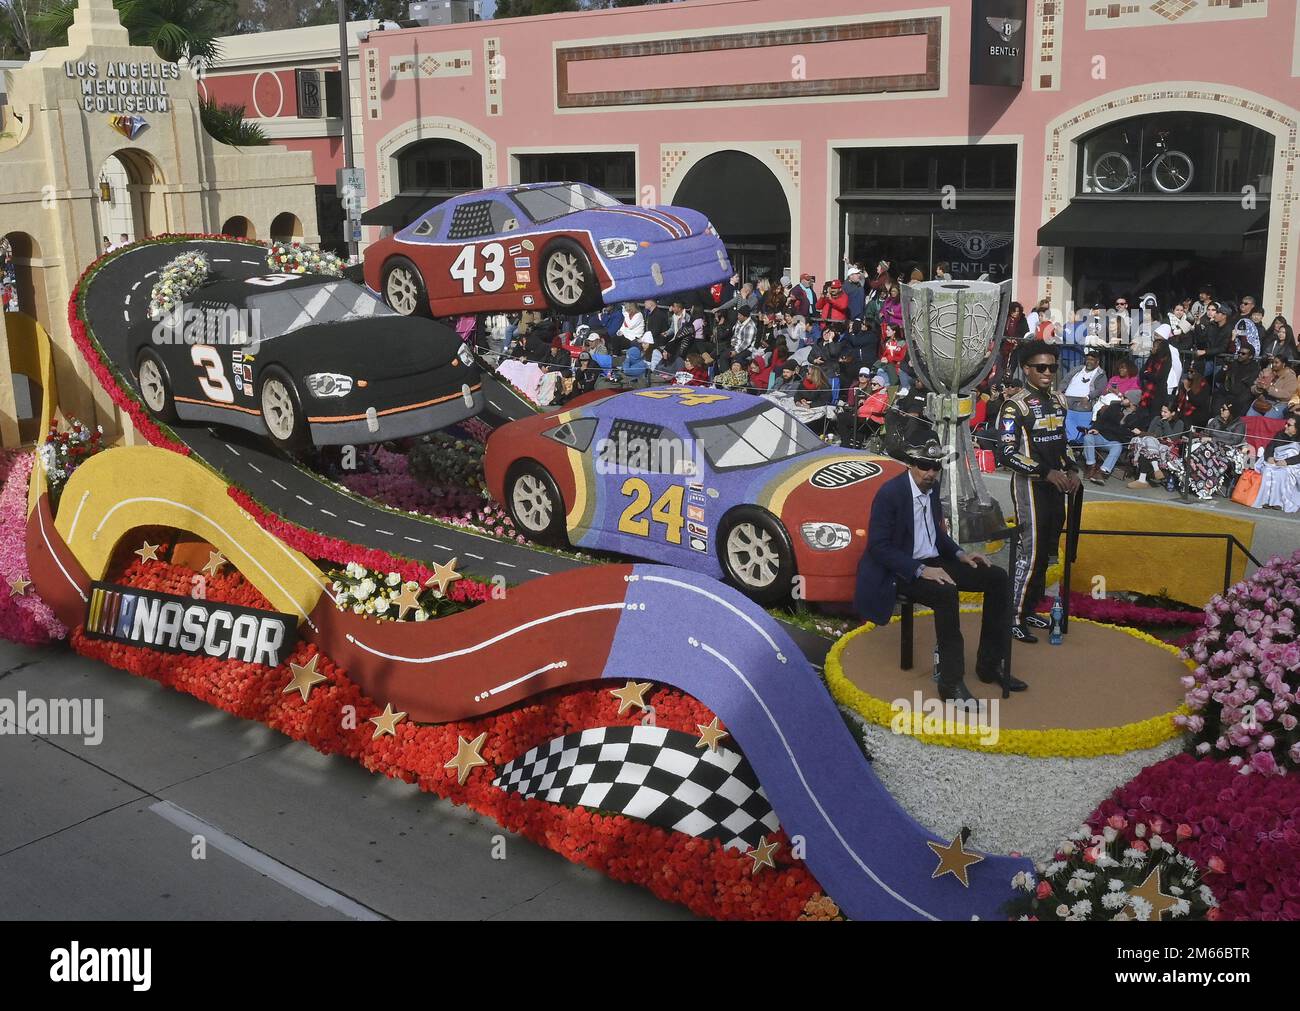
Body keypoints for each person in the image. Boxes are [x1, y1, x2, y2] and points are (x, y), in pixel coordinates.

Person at [854, 439, 1022, 703]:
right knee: (946, 593)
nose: (931, 473)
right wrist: (921, 570)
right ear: (910, 464)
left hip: (932, 561)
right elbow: (878, 547)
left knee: (997, 578)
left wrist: (961, 554)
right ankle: (950, 683)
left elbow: (936, 536)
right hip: (900, 569)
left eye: (935, 467)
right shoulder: (890, 494)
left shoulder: (931, 490)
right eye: (924, 466)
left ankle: (989, 665)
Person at [1000, 340, 1080, 643]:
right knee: (1029, 554)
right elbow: (1006, 453)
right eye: (1041, 368)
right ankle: (1012, 616)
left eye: (1052, 367)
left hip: (1056, 487)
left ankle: (1030, 607)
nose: (1048, 373)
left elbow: (1062, 444)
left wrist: (1072, 470)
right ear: (1026, 370)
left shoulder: (1059, 400)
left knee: (1047, 553)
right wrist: (1046, 472)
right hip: (1030, 487)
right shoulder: (1015, 405)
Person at [1185, 404, 1250, 500]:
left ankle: (1205, 487)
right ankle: (1190, 475)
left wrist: (1212, 439)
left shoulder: (1239, 424)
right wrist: (1197, 437)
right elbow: (1205, 433)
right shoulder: (1216, 420)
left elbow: (1235, 440)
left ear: (1231, 412)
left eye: (1224, 409)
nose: (1221, 410)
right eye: (1221, 408)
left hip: (1228, 449)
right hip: (1211, 446)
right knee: (1200, 448)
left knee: (1208, 449)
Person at [1126, 403, 1186, 489]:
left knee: (1146, 445)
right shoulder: (1157, 419)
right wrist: (1158, 428)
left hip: (1166, 446)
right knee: (1148, 442)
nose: (1162, 414)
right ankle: (1156, 469)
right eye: (1161, 411)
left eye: (1165, 412)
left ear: (1173, 413)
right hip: (1152, 442)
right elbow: (1151, 433)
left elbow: (1173, 437)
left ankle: (1142, 480)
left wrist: (1165, 423)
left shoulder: (1179, 423)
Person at [1082, 393, 1136, 485]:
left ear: (1133, 401)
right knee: (1088, 437)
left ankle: (1102, 472)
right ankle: (1091, 466)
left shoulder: (1137, 416)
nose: (1121, 398)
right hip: (1102, 435)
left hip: (1115, 441)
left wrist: (1113, 429)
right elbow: (1101, 420)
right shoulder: (1114, 407)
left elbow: (1127, 433)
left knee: (1117, 447)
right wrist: (1095, 428)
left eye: (1125, 398)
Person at [1252, 416, 1300, 512]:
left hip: (1293, 464)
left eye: (1289, 425)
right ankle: (1265, 500)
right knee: (1267, 471)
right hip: (1276, 460)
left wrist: (1287, 462)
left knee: (1282, 473)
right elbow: (1270, 447)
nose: (1285, 426)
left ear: (1296, 428)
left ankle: (1278, 502)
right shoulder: (1280, 434)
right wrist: (1269, 457)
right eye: (1286, 423)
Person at [1248, 354, 1298, 418]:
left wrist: (1269, 389)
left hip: (1279, 403)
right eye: (1273, 362)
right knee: (1249, 419)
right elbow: (1253, 388)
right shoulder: (1266, 372)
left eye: (1276, 363)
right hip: (1262, 401)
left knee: (1267, 421)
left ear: (1283, 364)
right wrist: (1258, 389)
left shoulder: (1290, 376)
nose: (1274, 364)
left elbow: (1287, 395)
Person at [1061, 349, 1107, 413]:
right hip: (1067, 398)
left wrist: (1088, 397)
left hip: (1083, 400)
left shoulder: (1100, 374)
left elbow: (1099, 389)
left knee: (1080, 411)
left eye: (1092, 360)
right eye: (1088, 359)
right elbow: (1066, 379)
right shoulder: (1077, 369)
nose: (1089, 361)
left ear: (1097, 362)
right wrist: (1059, 391)